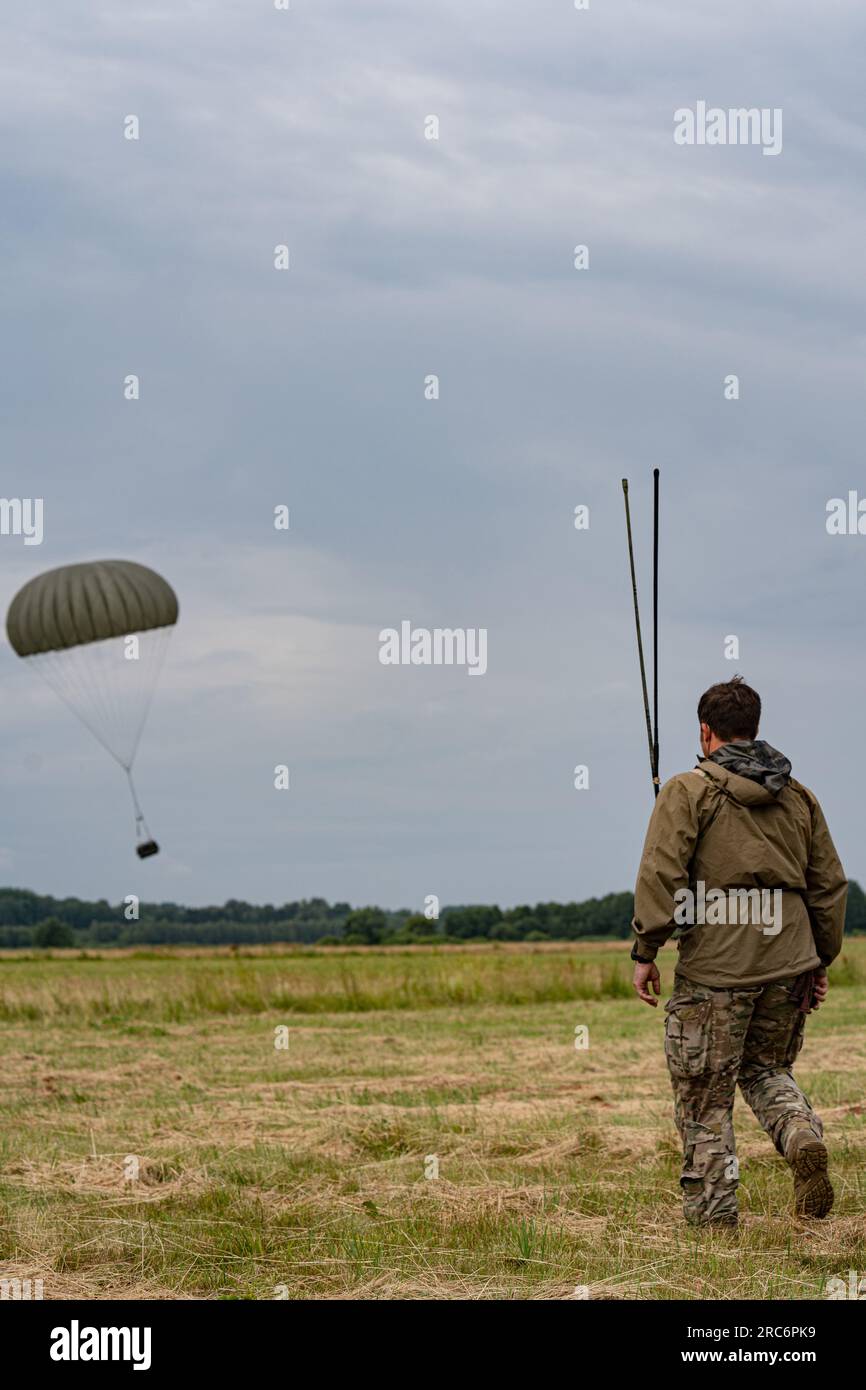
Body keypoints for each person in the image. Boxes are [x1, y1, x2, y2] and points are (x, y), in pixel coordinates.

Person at [630, 676, 847, 1227]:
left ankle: (715, 1222)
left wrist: (646, 948)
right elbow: (828, 885)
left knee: (705, 1098)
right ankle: (797, 1130)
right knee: (767, 1068)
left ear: (706, 731)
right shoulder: (797, 795)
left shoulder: (687, 791)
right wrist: (819, 959)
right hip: (789, 959)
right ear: (754, 728)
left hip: (716, 969)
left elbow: (662, 873)